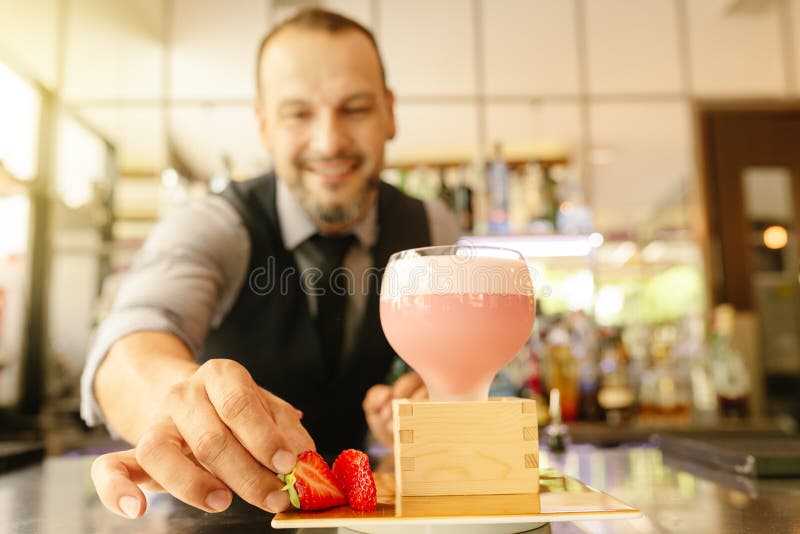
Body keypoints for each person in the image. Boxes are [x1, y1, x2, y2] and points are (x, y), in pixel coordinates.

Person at [81, 7, 459, 521]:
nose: (329, 141)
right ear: (263, 125)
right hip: (218, 517)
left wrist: (428, 404)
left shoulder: (433, 233)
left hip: (364, 515)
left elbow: (458, 374)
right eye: (298, 114)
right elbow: (131, 340)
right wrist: (176, 401)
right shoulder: (216, 225)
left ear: (389, 113)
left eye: (355, 108)